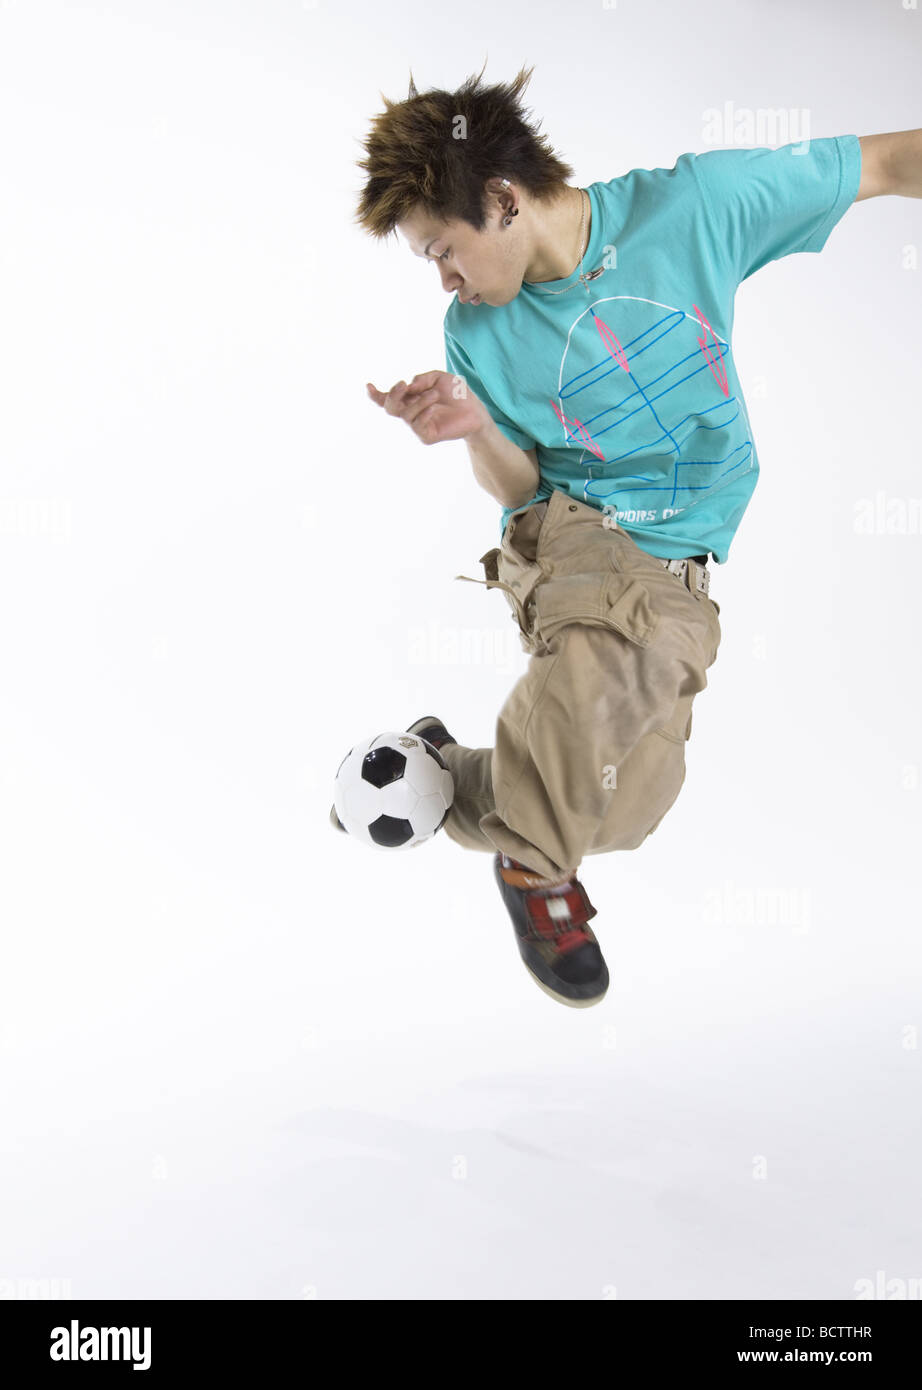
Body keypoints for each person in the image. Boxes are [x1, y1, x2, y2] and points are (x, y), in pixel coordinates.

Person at [335, 61, 916, 1008]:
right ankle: (533, 871)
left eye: (444, 249)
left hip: (681, 563)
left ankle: (440, 774)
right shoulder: (474, 333)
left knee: (621, 809)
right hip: (571, 540)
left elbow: (889, 161)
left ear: (503, 197)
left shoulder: (694, 210)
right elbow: (518, 489)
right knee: (622, 650)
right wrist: (473, 426)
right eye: (428, 262)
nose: (444, 279)